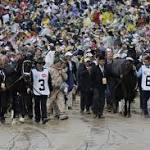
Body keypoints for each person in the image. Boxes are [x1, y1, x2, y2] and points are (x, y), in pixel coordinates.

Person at [31, 57, 53, 124]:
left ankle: (44, 117)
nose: (40, 65)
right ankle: (37, 118)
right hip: (36, 91)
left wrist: (51, 89)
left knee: (43, 105)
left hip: (45, 91)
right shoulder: (33, 71)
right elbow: (30, 81)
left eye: (42, 63)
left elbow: (49, 81)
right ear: (36, 64)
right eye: (39, 63)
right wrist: (29, 88)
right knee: (36, 105)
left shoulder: (46, 71)